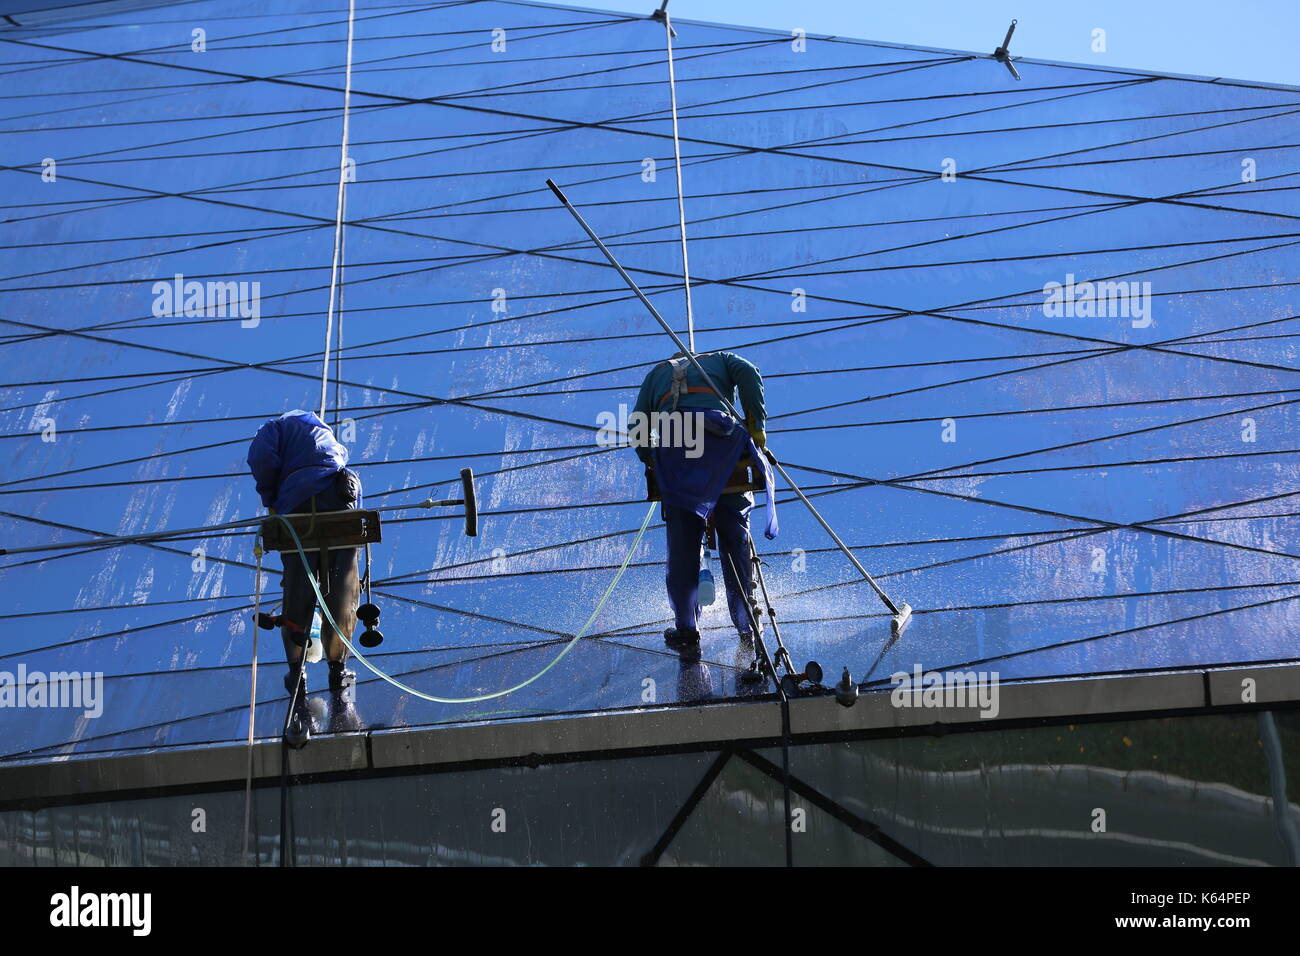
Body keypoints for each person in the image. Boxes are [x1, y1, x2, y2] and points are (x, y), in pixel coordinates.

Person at [631, 351, 777, 660]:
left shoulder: (657, 371)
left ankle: (687, 629)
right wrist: (757, 424)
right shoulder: (721, 360)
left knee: (683, 548)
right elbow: (750, 371)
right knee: (734, 533)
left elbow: (638, 424)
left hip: (677, 446)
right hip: (721, 440)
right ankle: (747, 622)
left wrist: (651, 460)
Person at [247, 409, 360, 704]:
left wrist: (270, 499)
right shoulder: (327, 438)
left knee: (298, 583)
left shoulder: (274, 428)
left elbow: (261, 459)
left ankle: (297, 669)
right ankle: (338, 666)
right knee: (343, 584)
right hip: (340, 500)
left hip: (298, 503)